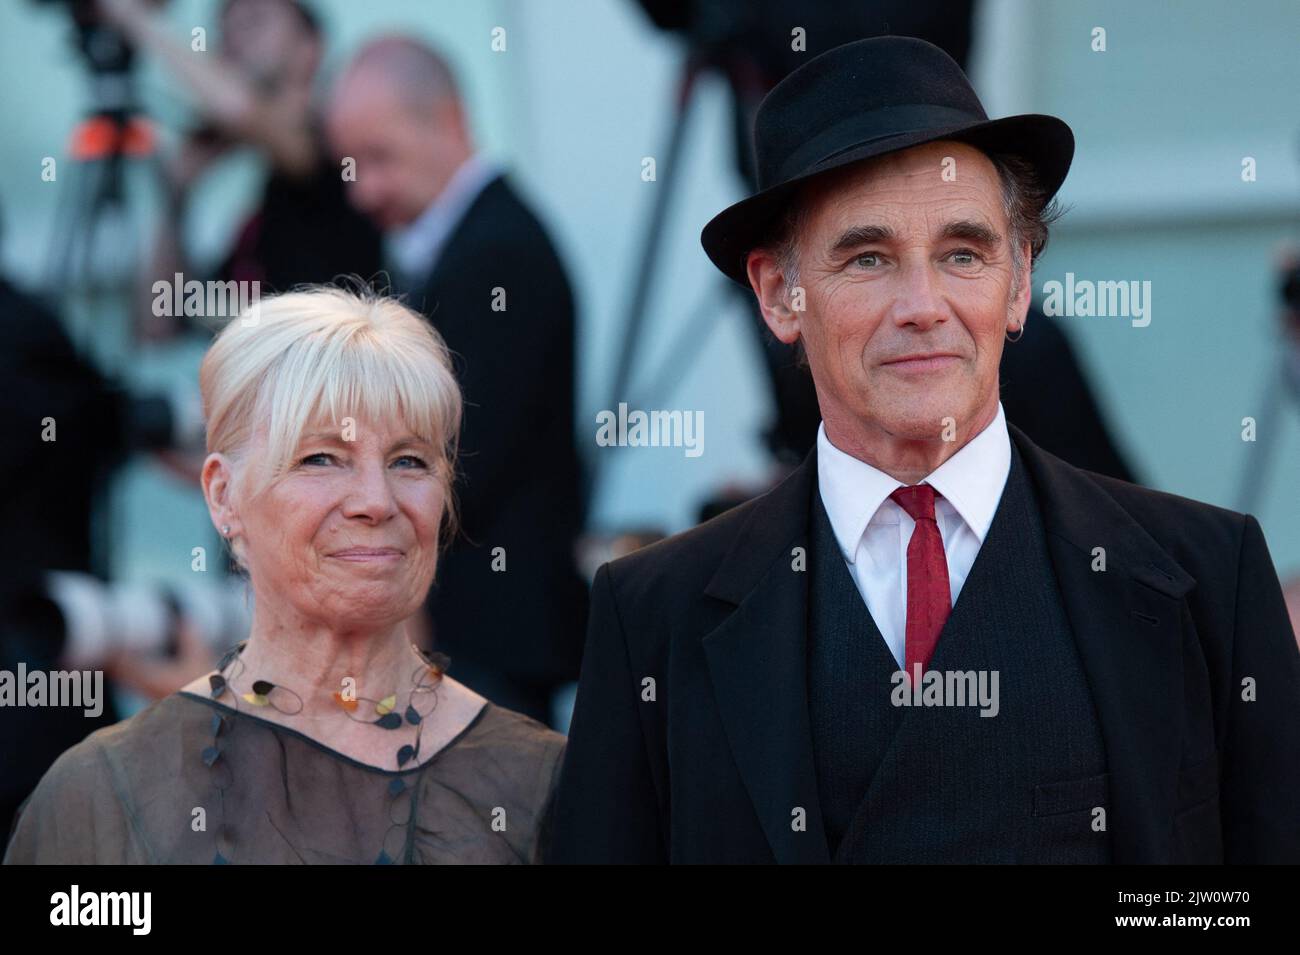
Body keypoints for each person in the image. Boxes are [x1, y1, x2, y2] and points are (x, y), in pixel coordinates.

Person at [547, 37, 1300, 863]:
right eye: (868, 257)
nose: (923, 306)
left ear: (1018, 283)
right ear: (778, 294)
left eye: (963, 254)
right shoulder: (654, 614)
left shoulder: (1208, 578)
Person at [5, 287, 564, 864]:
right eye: (320, 458)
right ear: (224, 496)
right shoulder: (99, 797)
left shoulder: (546, 786)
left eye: (409, 460)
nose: (376, 500)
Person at [326, 38, 587, 724]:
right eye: (351, 166)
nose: (362, 191)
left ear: (449, 123)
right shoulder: (468, 243)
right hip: (474, 633)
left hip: (485, 639)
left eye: (380, 158)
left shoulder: (497, 252)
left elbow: (456, 459)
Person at [95, 0, 383, 338]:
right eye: (224, 31)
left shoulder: (336, 146)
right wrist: (176, 194)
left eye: (254, 21)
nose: (233, 39)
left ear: (312, 46)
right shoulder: (262, 217)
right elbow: (157, 327)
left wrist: (132, 16)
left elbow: (238, 109)